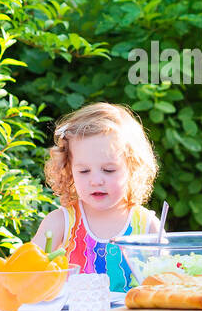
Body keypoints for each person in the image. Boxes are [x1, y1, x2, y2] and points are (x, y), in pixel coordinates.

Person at [32, 103, 160, 292]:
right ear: (68, 171)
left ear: (132, 168)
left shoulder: (147, 225)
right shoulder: (61, 222)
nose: (96, 180)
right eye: (84, 171)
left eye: (109, 170)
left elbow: (167, 280)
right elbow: (27, 273)